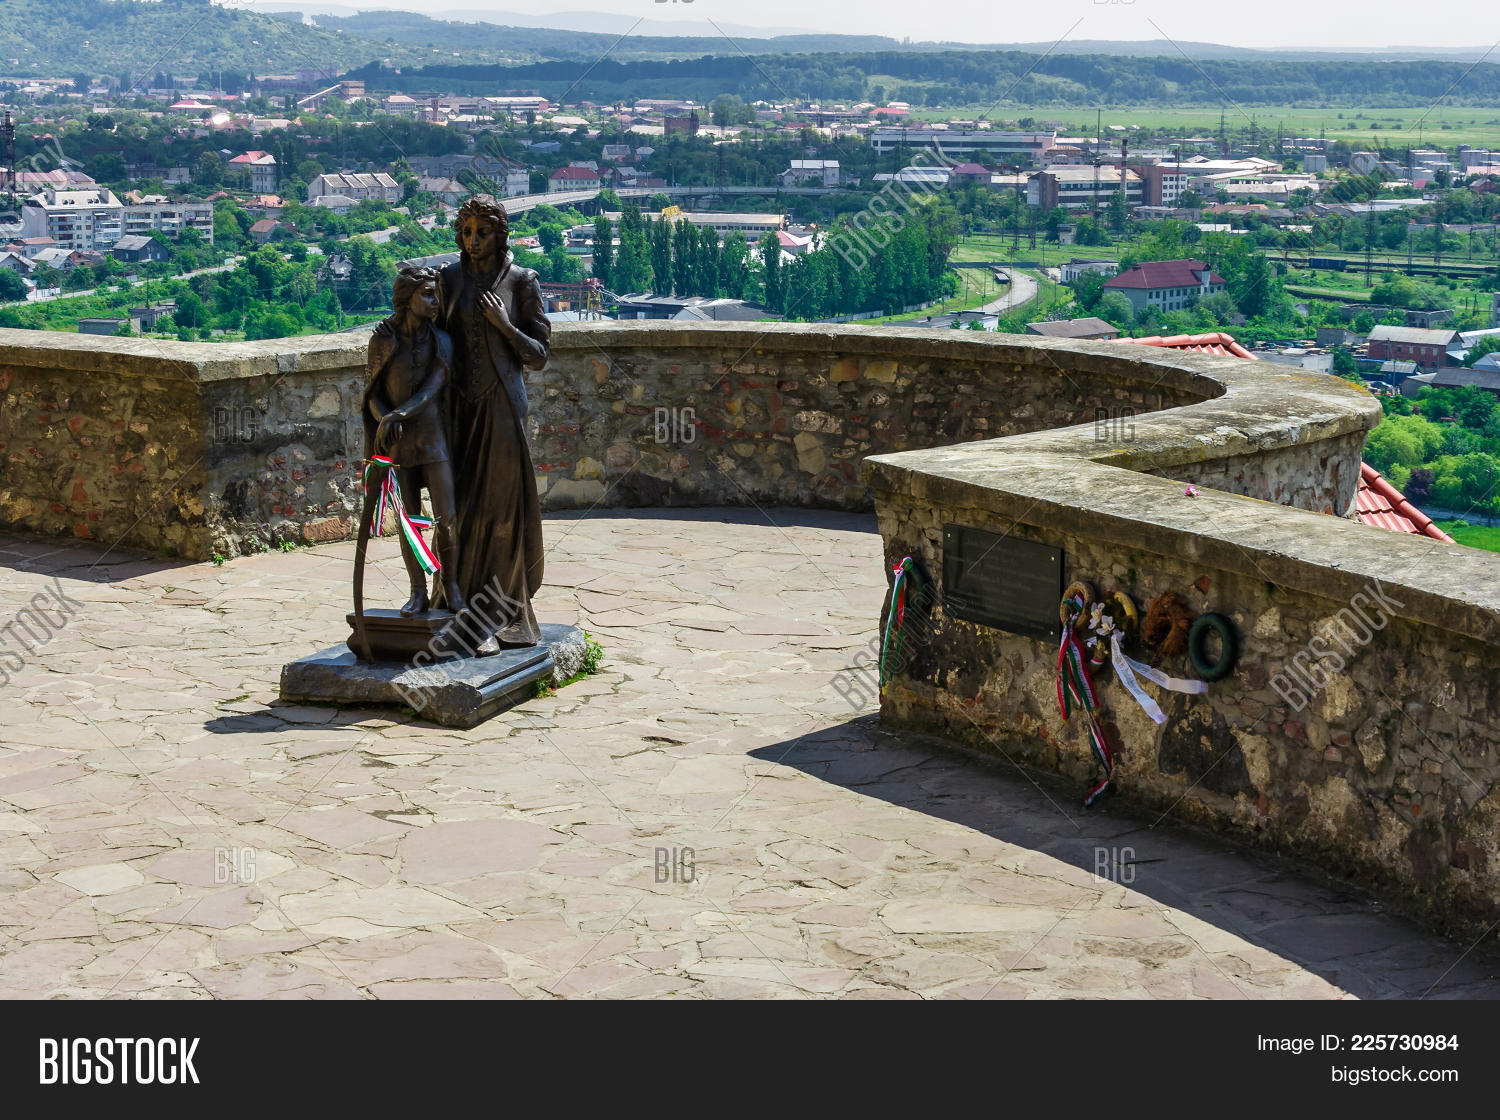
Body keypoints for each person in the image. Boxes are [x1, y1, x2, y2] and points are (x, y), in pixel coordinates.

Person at [435, 194, 550, 648]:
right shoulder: (449, 279)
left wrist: (504, 326)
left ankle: (503, 609)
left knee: (502, 507)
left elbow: (539, 355)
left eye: (482, 232)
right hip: (458, 407)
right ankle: (455, 600)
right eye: (466, 232)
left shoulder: (521, 281)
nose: (473, 241)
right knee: (457, 506)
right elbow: (429, 332)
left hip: (502, 406)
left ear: (500, 234)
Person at [362, 265, 467, 617]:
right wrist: (383, 419)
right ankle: (417, 591)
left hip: (433, 438)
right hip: (399, 444)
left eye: (435, 292)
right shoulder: (383, 340)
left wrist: (397, 414)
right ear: (407, 299)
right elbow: (372, 394)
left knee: (447, 517)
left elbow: (432, 388)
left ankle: (449, 586)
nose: (435, 300)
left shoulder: (442, 342)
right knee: (409, 520)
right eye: (426, 293)